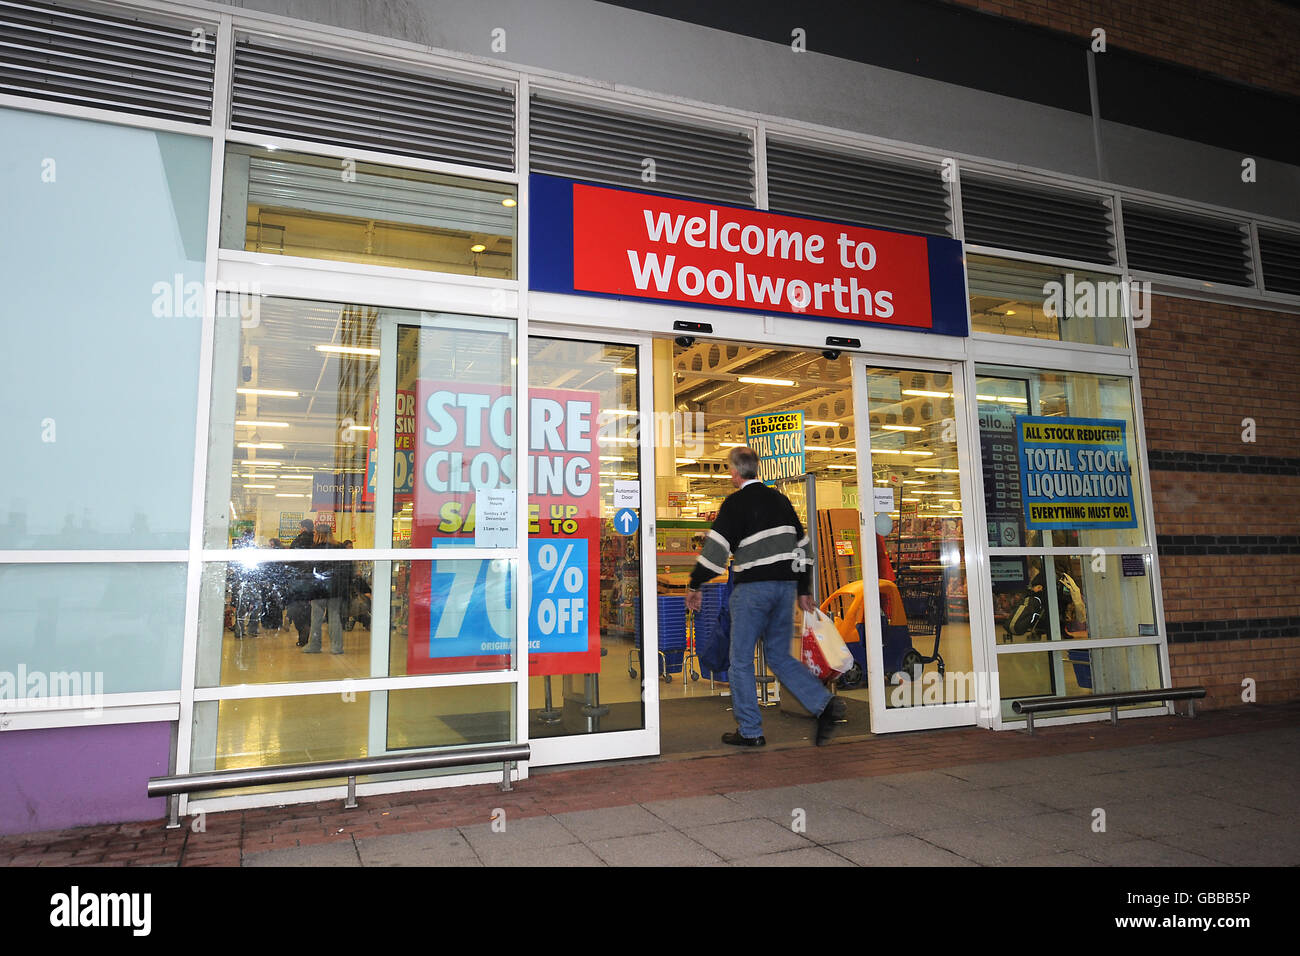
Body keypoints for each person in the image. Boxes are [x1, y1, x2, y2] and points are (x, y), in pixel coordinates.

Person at [684, 446, 846, 747]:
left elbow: (716, 552)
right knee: (779, 656)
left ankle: (750, 730)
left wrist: (695, 585)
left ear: (734, 472)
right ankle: (824, 705)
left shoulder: (734, 504)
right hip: (784, 590)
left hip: (753, 591)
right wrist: (802, 589)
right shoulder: (780, 500)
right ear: (755, 469)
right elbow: (804, 548)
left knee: (741, 660)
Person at [305, 523, 345, 654]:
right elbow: (345, 569)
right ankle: (336, 647)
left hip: (318, 588)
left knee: (316, 617)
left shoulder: (313, 549)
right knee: (334, 616)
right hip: (335, 587)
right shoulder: (340, 547)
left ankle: (314, 645)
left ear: (317, 534)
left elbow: (309, 570)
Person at [285, 518, 316, 647]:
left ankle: (294, 622)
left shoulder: (297, 541)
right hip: (313, 579)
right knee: (308, 608)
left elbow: (292, 561)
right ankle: (306, 630)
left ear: (303, 527)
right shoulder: (316, 541)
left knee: (296, 605)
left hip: (298, 579)